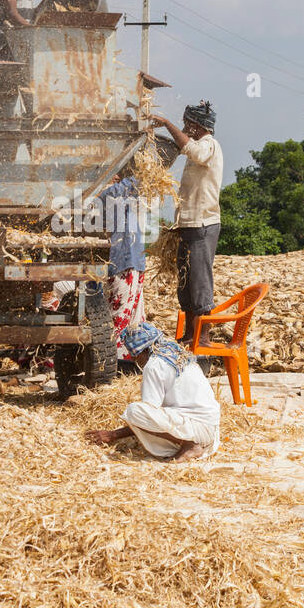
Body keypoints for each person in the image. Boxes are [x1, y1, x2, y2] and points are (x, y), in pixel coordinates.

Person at [86, 322, 220, 462]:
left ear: (141, 352)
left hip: (198, 431)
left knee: (134, 411)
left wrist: (113, 435)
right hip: (211, 431)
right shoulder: (177, 353)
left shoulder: (154, 365)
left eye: (135, 355)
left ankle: (190, 444)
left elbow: (148, 415)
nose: (134, 360)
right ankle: (189, 443)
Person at [152, 100, 223, 347]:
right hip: (189, 224)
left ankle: (203, 337)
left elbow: (194, 151)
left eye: (187, 124)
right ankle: (190, 335)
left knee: (200, 280)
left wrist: (167, 124)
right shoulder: (197, 146)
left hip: (203, 225)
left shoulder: (209, 146)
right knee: (186, 281)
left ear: (196, 125)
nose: (184, 128)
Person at [100, 173, 146, 367]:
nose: (117, 176)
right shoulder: (106, 193)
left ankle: (132, 361)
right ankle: (115, 364)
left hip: (135, 261)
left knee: (136, 320)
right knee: (119, 318)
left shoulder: (122, 193)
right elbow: (135, 182)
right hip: (123, 263)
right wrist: (140, 173)